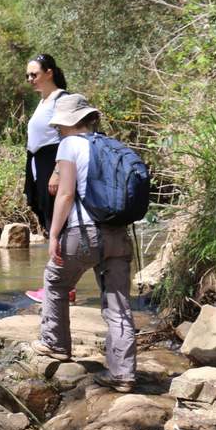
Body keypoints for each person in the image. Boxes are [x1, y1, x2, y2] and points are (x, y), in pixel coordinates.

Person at [29, 93, 137, 391]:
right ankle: (123, 374)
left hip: (83, 232)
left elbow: (65, 194)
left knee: (56, 282)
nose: (58, 130)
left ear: (68, 123)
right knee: (118, 304)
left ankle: (56, 344)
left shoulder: (69, 145)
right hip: (118, 233)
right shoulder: (112, 145)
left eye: (59, 125)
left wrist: (53, 235)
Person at [22, 54, 74, 305]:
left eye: (35, 74)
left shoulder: (61, 99)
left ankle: (61, 287)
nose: (30, 79)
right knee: (48, 221)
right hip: (36, 165)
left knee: (58, 224)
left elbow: (66, 137)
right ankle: (60, 285)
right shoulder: (43, 101)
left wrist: (56, 171)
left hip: (53, 164)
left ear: (49, 72)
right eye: (28, 75)